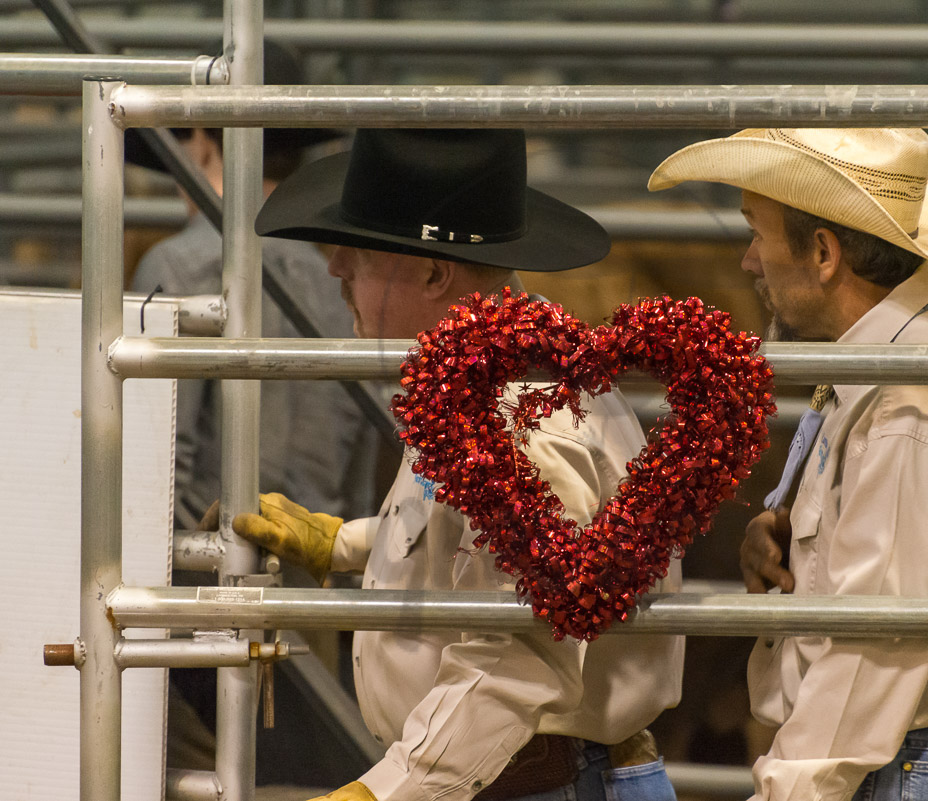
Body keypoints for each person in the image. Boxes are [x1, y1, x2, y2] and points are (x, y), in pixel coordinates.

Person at [238, 127, 685, 801]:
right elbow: (477, 553)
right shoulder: (489, 374)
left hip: (528, 781)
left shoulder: (521, 421)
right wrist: (354, 541)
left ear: (433, 271)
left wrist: (382, 792)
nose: (334, 267)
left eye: (360, 250)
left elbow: (522, 654)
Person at [648, 127, 928, 800]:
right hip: (913, 760)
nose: (749, 260)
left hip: (905, 765)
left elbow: (876, 647)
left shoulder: (910, 403)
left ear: (822, 252)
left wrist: (789, 788)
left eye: (759, 234)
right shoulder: (917, 350)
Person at [129, 40, 377, 527]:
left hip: (199, 573)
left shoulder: (174, 268)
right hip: (316, 574)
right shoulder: (344, 280)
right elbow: (363, 466)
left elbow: (153, 466)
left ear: (201, 139)